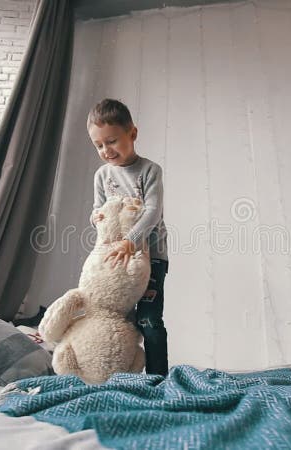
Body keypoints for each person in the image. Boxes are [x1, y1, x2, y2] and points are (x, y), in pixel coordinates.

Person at [87, 98, 169, 377]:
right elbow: (97, 211)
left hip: (150, 258)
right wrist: (96, 218)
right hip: (114, 260)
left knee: (148, 320)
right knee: (116, 319)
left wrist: (130, 241)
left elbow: (153, 212)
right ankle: (118, 374)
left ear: (132, 133)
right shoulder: (101, 175)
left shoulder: (149, 171)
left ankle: (158, 378)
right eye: (98, 145)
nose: (105, 150)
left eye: (111, 141)